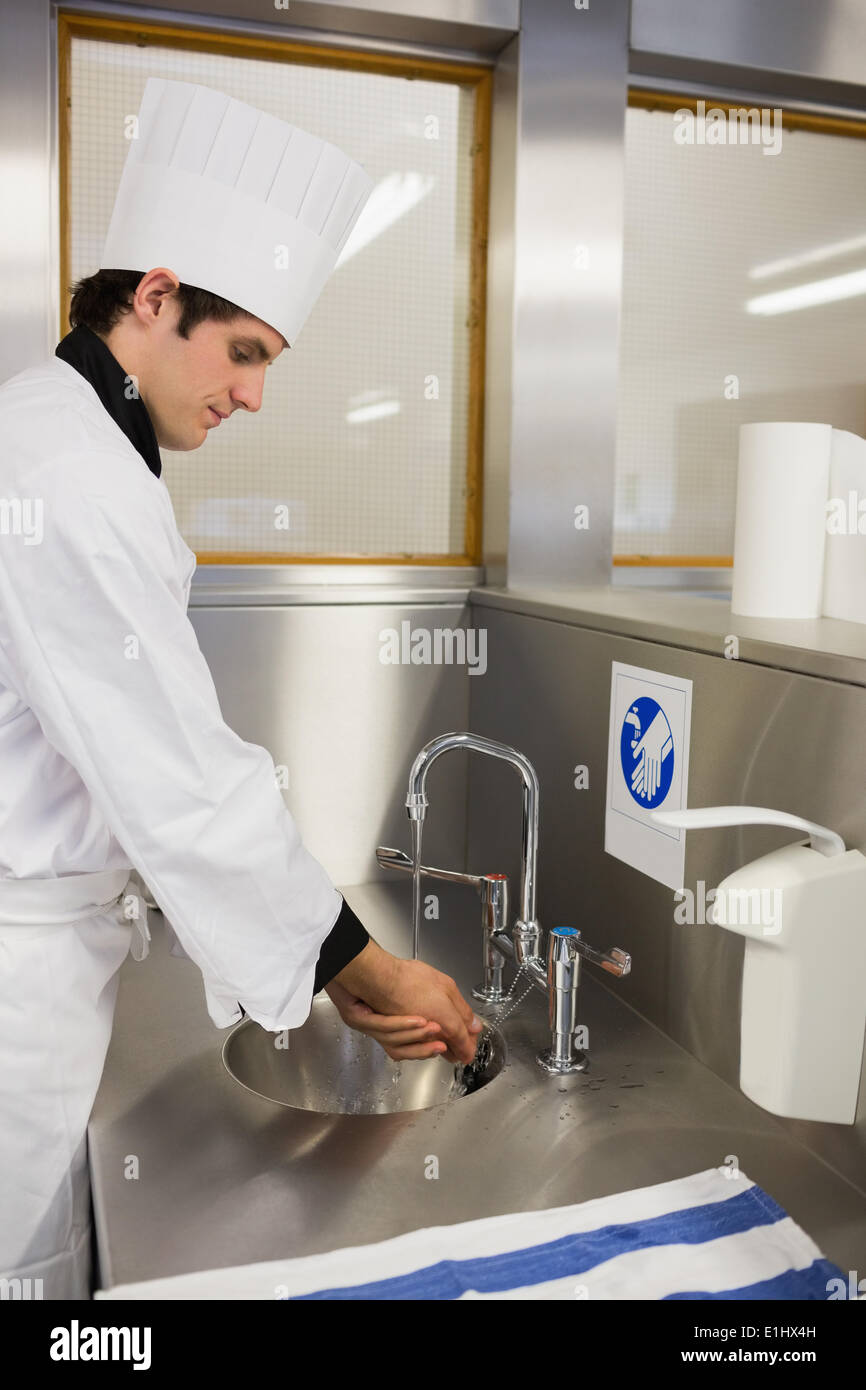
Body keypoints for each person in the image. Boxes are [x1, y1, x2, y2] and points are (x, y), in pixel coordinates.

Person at [0, 77, 481, 1301]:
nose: (257, 393)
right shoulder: (73, 474)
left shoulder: (67, 442)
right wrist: (361, 968)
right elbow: (182, 787)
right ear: (155, 298)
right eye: (245, 351)